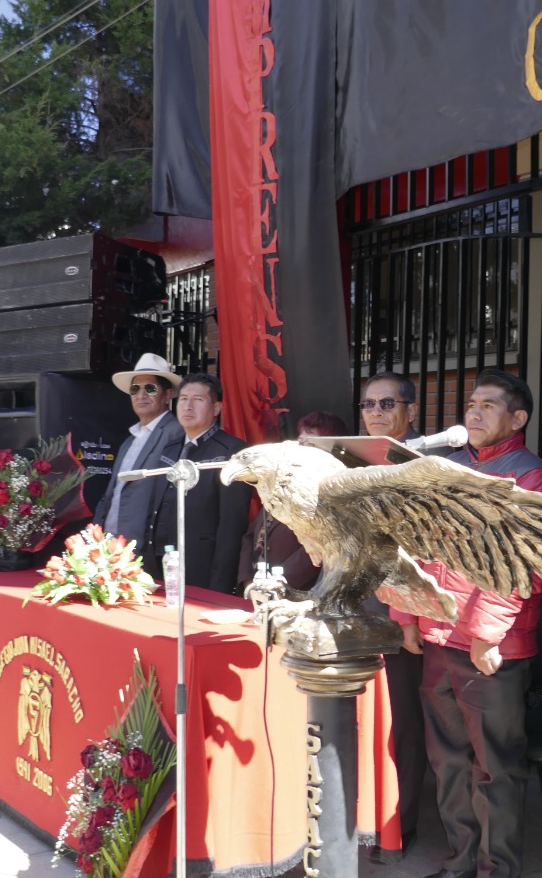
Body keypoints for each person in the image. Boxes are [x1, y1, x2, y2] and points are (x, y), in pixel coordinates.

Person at [392, 368, 542, 878]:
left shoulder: (532, 475)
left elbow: (520, 563)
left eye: (489, 404)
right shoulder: (446, 465)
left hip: (492, 649)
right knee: (449, 763)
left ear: (518, 418)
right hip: (439, 635)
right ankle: (459, 862)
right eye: (471, 403)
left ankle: (496, 868)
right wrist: (406, 615)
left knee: (496, 769)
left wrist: (488, 633)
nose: (474, 411)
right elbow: (415, 544)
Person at [354, 370, 433, 864]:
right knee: (362, 725)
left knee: (400, 727)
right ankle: (361, 818)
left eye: (387, 404)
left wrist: (406, 617)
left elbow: (426, 550)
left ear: (411, 411)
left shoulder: (426, 463)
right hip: (358, 611)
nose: (376, 412)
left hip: (403, 617)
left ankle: (397, 828)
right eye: (368, 405)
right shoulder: (352, 463)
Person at [147, 373, 251, 595]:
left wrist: (220, 586)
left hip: (202, 569)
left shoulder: (232, 451)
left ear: (216, 408)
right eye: (183, 399)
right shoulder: (169, 448)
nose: (188, 406)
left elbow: (231, 527)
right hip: (160, 563)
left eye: (198, 400)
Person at [90, 353, 185, 575]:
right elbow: (111, 494)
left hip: (146, 552)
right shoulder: (129, 441)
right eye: (135, 389)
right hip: (111, 550)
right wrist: (95, 536)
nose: (141, 395)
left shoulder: (176, 432)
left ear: (167, 394)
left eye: (150, 388)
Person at [237, 410, 346, 593]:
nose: (303, 449)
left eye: (311, 443)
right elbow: (251, 536)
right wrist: (247, 580)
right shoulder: (282, 483)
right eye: (301, 442)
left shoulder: (331, 492)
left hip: (295, 593)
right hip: (258, 590)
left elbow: (315, 550)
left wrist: (277, 585)